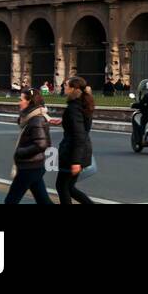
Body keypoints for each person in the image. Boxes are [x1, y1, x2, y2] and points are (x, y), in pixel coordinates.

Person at [4, 88, 53, 205]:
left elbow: (41, 144)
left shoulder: (36, 120)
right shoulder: (31, 118)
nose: (18, 102)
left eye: (21, 99)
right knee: (43, 200)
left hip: (29, 166)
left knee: (11, 201)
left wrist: (20, 152)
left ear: (29, 102)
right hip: (35, 166)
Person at [53, 76, 94, 204]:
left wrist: (76, 161)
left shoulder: (73, 108)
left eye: (65, 85)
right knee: (68, 187)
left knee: (62, 186)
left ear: (72, 89)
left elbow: (79, 134)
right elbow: (81, 126)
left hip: (72, 153)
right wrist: (64, 121)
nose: (63, 87)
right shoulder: (82, 103)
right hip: (78, 151)